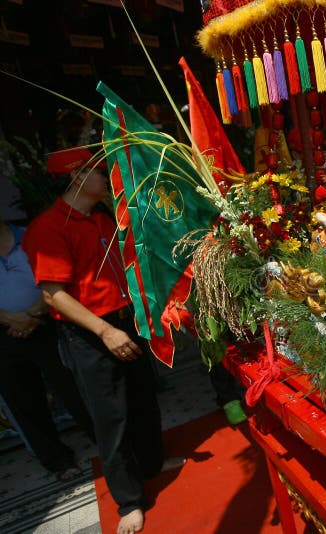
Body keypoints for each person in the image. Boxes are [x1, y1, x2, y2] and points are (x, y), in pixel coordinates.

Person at [22, 147, 183, 534]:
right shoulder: (49, 227)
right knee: (112, 418)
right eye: (100, 171)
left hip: (125, 320)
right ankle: (128, 501)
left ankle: (150, 464)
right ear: (77, 178)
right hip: (92, 333)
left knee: (143, 400)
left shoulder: (102, 217)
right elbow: (53, 295)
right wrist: (104, 331)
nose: (109, 178)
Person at [0, 216, 94, 481]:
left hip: (46, 320)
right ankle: (58, 461)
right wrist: (10, 318)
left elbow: (57, 273)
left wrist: (37, 311)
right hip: (5, 332)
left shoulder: (29, 234)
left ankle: (105, 439)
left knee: (73, 385)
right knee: (23, 399)